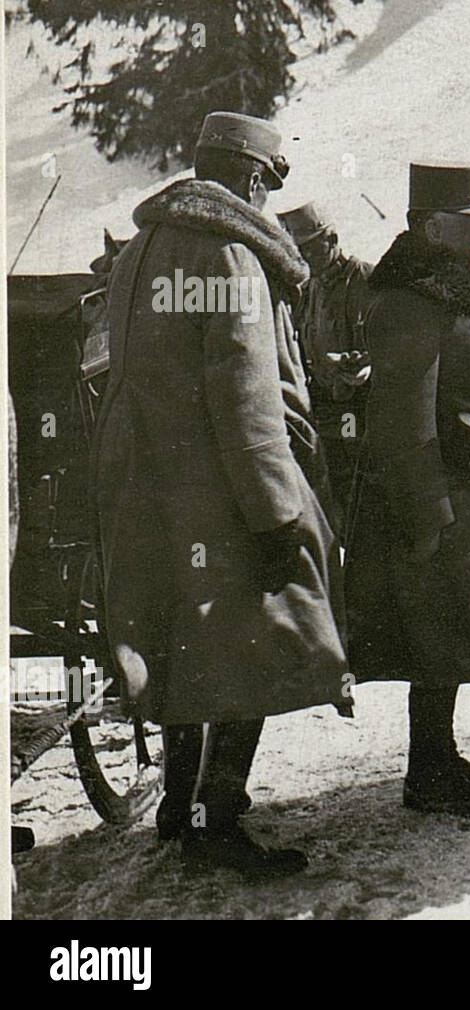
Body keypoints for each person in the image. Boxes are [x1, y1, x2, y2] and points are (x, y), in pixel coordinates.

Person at [91, 111, 350, 877]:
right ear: (246, 177)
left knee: (186, 644)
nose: (267, 201)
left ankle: (181, 803)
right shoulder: (231, 256)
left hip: (148, 487)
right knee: (257, 643)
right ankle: (218, 819)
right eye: (267, 185)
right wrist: (275, 511)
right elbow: (246, 397)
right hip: (219, 489)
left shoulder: (140, 249)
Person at [346, 162, 470, 816]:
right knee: (432, 632)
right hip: (431, 495)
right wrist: (428, 511)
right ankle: (428, 774)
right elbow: (405, 415)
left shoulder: (446, 288)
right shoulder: (412, 300)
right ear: (434, 227)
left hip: (463, 489)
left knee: (449, 630)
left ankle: (438, 757)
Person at [276, 201, 374, 535]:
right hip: (326, 419)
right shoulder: (309, 289)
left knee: (363, 506)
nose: (302, 259)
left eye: (308, 249)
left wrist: (364, 367)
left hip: (357, 417)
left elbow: (394, 349)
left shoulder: (368, 280)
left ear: (331, 239)